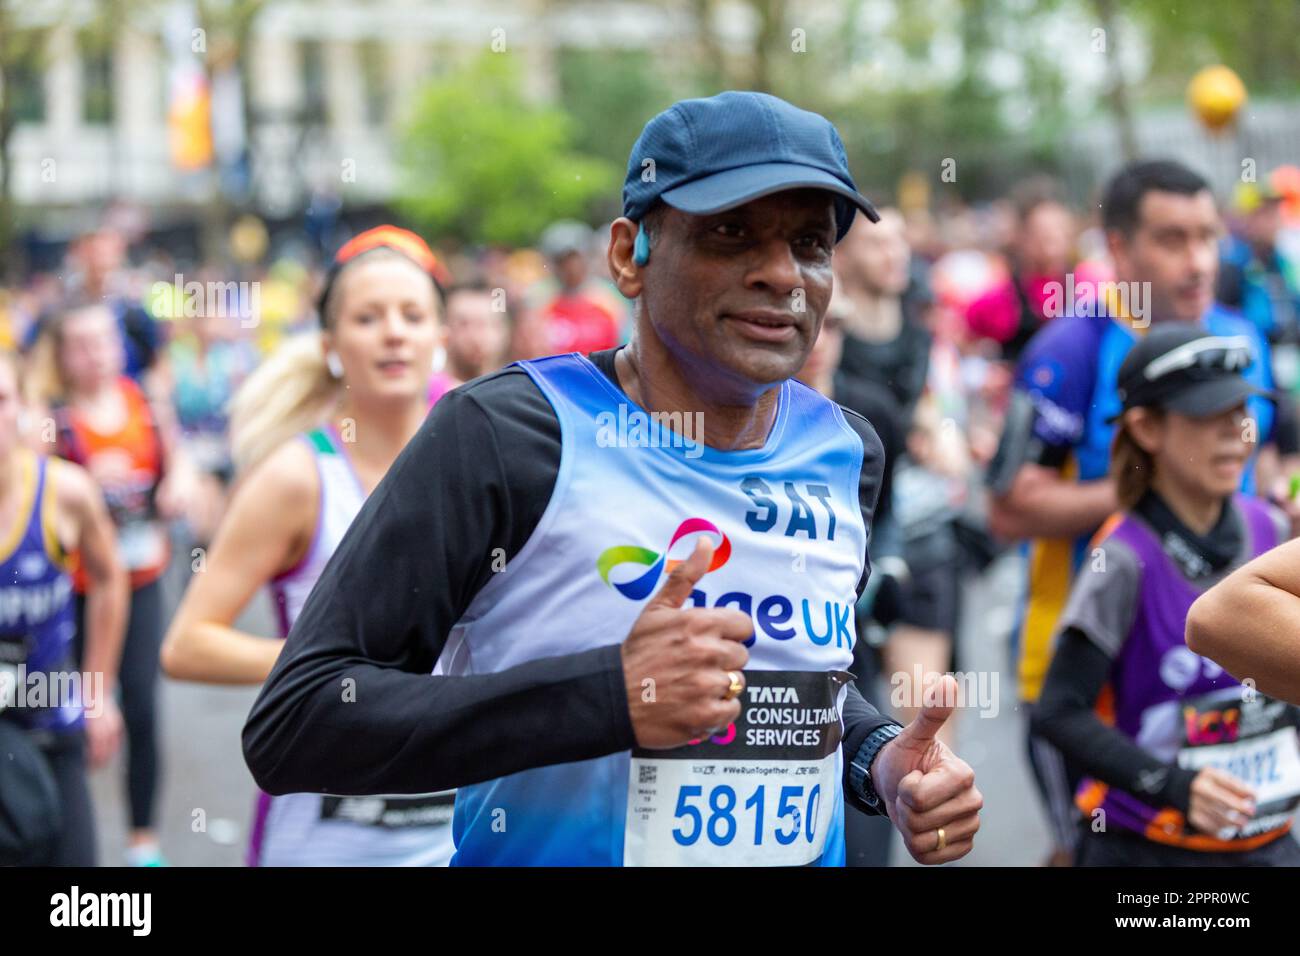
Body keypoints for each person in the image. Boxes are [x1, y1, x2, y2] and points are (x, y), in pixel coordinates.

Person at [243, 91, 982, 867]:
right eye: (732, 233)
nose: (781, 274)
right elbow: (298, 722)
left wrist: (875, 758)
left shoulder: (846, 451)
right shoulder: (504, 435)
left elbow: (799, 681)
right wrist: (608, 697)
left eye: (809, 242)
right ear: (630, 256)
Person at [987, 159, 1286, 865]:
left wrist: (1265, 504)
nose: (1198, 262)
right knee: (1094, 842)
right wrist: (1155, 501)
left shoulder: (1240, 336)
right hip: (1090, 665)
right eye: (1172, 240)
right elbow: (1006, 511)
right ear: (1119, 249)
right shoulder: (1070, 345)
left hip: (1225, 667)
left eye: (1208, 237)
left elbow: (1272, 461)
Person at [161, 226, 457, 866]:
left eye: (413, 315)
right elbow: (187, 644)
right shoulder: (298, 477)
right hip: (324, 835)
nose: (394, 333)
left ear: (441, 338)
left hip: (453, 835)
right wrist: (331, 673)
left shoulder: (480, 466)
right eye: (368, 317)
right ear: (329, 345)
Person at [1034, 326, 1300, 865]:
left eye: (1242, 412)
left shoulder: (1273, 529)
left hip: (1268, 845)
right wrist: (1174, 784)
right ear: (1147, 428)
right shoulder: (1124, 557)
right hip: (1150, 851)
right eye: (1209, 415)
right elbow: (1059, 713)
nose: (1237, 432)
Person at [28, 301, 192, 866]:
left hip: (140, 576)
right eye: (81, 343)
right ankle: (59, 829)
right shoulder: (53, 421)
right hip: (69, 590)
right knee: (61, 712)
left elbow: (182, 464)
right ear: (63, 356)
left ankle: (143, 840)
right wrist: (79, 484)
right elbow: (28, 489)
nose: (96, 353)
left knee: (142, 705)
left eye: (104, 340)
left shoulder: (146, 404)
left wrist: (178, 488)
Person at [0, 348, 129, 866]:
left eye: (2, 398)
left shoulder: (64, 493)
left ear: (25, 405)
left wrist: (98, 690)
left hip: (49, 722)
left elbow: (108, 578)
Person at [426, 279, 512, 406]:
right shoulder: (424, 398)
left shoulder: (515, 397)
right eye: (463, 324)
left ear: (504, 330)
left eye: (485, 324)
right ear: (442, 329)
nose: (475, 336)